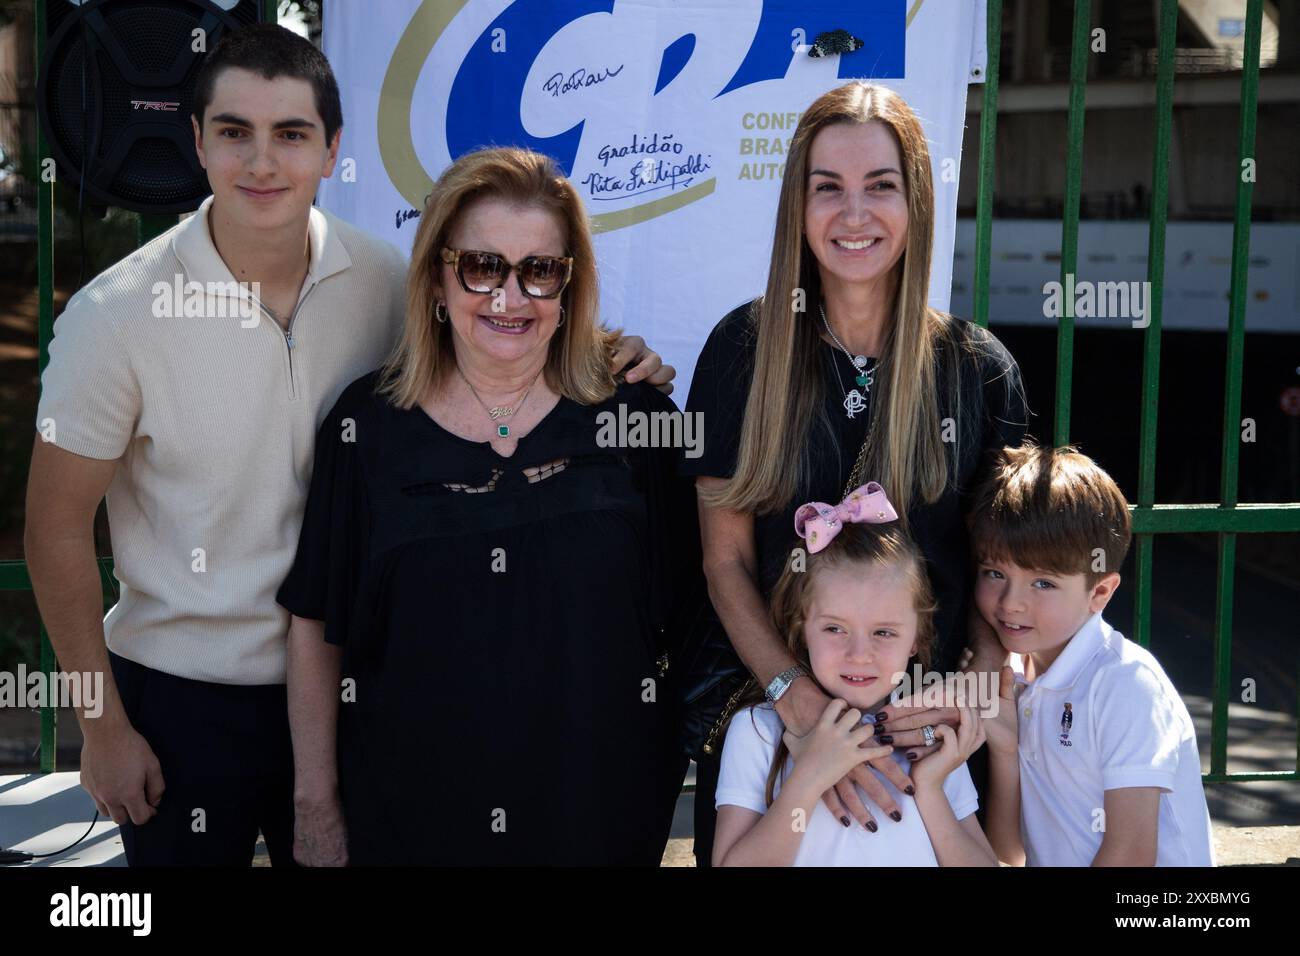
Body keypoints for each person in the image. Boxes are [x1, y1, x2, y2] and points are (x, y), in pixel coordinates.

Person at [23, 23, 672, 867]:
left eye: (291, 134)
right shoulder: (115, 318)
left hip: (352, 697)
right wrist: (99, 723)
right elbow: (52, 530)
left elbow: (504, 324)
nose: (263, 163)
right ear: (196, 141)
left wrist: (607, 353)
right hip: (183, 704)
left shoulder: (381, 280)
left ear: (332, 150)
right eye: (234, 132)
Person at [277, 145, 701, 866]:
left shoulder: (639, 418)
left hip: (599, 814)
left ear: (569, 286)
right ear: (437, 280)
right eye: (482, 266)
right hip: (413, 820)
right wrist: (315, 804)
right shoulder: (366, 428)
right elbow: (317, 629)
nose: (510, 298)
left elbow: (695, 613)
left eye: (540, 271)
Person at [681, 81, 1027, 865]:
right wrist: (798, 710)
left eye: (881, 186)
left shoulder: (978, 371)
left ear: (919, 203)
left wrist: (965, 690)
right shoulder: (740, 352)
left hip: (925, 746)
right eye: (827, 187)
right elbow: (724, 560)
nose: (855, 213)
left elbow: (1001, 577)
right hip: (770, 727)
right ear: (797, 207)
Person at [712, 483, 996, 866]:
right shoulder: (760, 730)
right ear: (802, 627)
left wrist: (929, 787)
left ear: (917, 639)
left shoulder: (930, 733)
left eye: (883, 632)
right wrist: (810, 774)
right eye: (835, 629)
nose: (859, 655)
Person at [970, 443, 1215, 866]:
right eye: (995, 573)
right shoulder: (1015, 678)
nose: (1011, 603)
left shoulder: (1125, 684)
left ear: (1099, 592)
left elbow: (1131, 855)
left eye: (1042, 583)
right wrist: (1005, 752)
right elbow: (1009, 854)